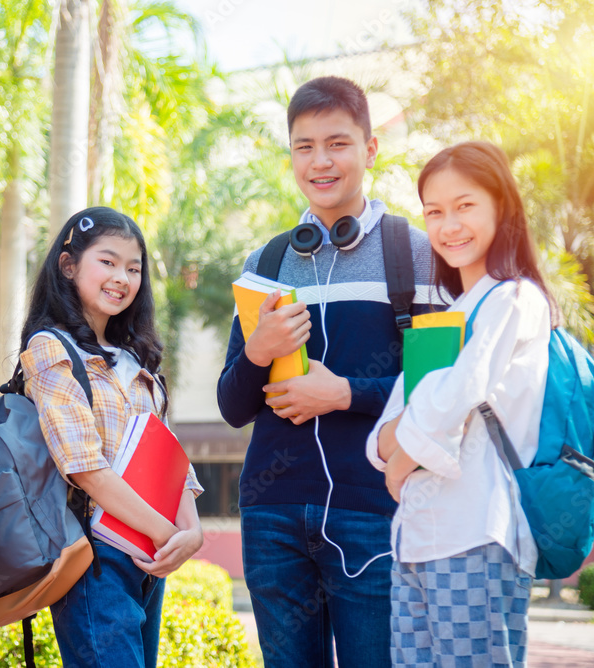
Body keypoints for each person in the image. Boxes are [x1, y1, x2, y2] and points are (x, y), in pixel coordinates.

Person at [217, 76, 441, 666]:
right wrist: (258, 350)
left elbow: (438, 392)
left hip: (375, 512)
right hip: (273, 519)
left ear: (369, 150)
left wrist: (343, 393)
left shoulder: (416, 255)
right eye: (304, 146)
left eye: (337, 144)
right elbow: (232, 405)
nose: (320, 162)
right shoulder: (264, 263)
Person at [366, 140, 554, 667]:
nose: (449, 225)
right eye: (434, 211)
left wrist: (402, 455)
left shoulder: (515, 299)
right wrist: (401, 449)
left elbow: (459, 393)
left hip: (478, 531)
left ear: (501, 206)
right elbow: (381, 438)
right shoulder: (446, 317)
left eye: (465, 205)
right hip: (416, 538)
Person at [18, 206, 204, 668]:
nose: (122, 276)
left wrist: (193, 531)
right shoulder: (50, 350)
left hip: (147, 558)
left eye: (133, 267)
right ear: (68, 266)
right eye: (108, 261)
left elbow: (168, 459)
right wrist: (167, 534)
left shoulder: (135, 360)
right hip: (95, 559)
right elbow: (85, 469)